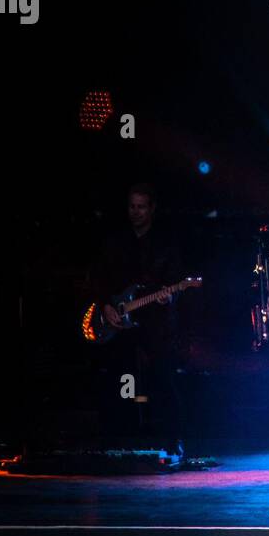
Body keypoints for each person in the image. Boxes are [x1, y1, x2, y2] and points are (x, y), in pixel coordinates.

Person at [90, 183, 187, 433]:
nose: (136, 212)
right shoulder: (115, 242)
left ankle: (172, 437)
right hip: (120, 323)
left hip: (154, 322)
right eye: (132, 206)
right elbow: (99, 278)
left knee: (163, 376)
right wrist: (105, 306)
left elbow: (175, 280)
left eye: (141, 207)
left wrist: (168, 297)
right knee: (120, 378)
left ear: (152, 209)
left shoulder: (166, 245)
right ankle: (120, 435)